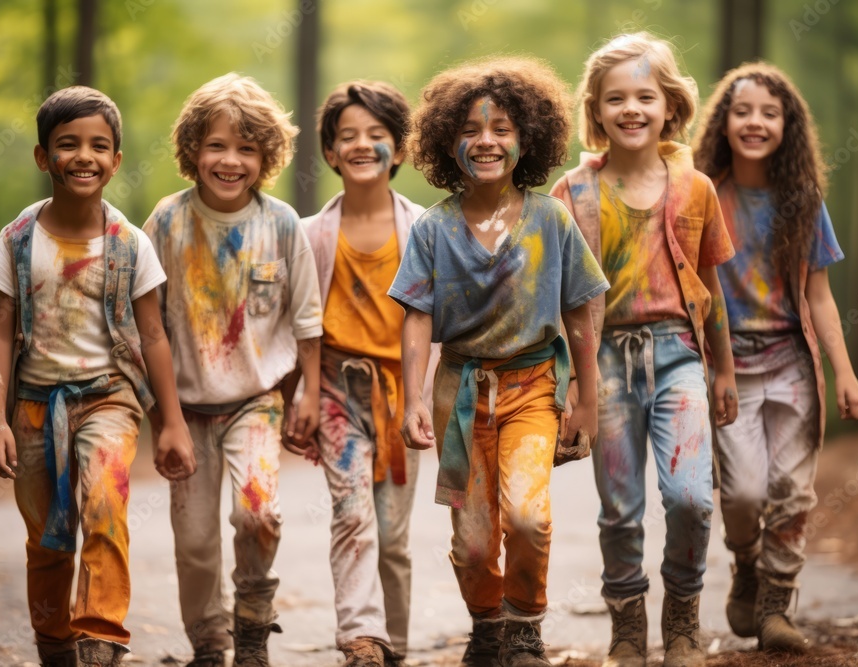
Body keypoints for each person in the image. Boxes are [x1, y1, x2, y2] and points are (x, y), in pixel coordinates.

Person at [390, 56, 608, 667]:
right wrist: (412, 399)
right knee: (473, 540)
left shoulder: (552, 220)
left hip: (535, 384)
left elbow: (581, 313)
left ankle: (524, 627)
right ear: (446, 142)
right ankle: (486, 624)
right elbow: (416, 316)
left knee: (527, 516)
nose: (486, 140)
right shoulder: (433, 230)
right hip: (458, 390)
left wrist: (585, 401)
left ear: (527, 138)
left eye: (502, 127)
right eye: (470, 129)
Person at [0, 85, 196, 667]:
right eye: (68, 143)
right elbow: (0, 328)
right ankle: (54, 646)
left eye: (99, 145)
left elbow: (153, 336)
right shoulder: (19, 238)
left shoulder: (130, 244)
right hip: (31, 403)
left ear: (116, 161)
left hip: (108, 397)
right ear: (42, 156)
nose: (84, 156)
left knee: (105, 505)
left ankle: (101, 638)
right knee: (49, 536)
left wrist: (170, 422)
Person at [550, 33, 738, 667]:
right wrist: (572, 384)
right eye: (616, 99)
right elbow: (558, 301)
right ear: (597, 110)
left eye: (645, 97)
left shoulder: (696, 190)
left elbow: (711, 287)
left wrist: (725, 373)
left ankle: (681, 620)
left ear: (670, 107)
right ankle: (627, 624)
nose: (631, 109)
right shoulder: (572, 193)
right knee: (620, 506)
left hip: (678, 353)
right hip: (602, 362)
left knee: (690, 496)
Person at [142, 73, 322, 667]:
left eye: (247, 148)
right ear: (193, 149)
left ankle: (250, 626)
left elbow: (307, 322)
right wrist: (161, 416)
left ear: (266, 157)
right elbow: (147, 329)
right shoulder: (165, 223)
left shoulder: (283, 223)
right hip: (184, 409)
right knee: (194, 543)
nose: (230, 160)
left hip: (256, 401)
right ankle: (208, 645)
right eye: (217, 145)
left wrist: (308, 396)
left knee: (257, 512)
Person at [692, 62, 858, 654]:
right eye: (742, 111)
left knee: (792, 491)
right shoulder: (703, 194)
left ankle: (775, 605)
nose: (755, 122)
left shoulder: (802, 199)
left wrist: (844, 373)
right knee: (741, 494)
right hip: (727, 367)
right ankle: (745, 561)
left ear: (788, 126)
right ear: (724, 122)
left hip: (792, 361)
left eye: (770, 113)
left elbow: (819, 295)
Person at [303, 80, 437, 667]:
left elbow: (439, 324)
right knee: (352, 516)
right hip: (337, 390)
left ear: (400, 150)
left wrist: (424, 399)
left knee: (393, 536)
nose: (361, 145)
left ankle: (395, 646)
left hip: (403, 396)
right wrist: (300, 398)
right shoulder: (309, 235)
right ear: (330, 152)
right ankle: (362, 640)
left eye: (376, 135)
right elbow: (301, 327)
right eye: (347, 136)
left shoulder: (425, 230)